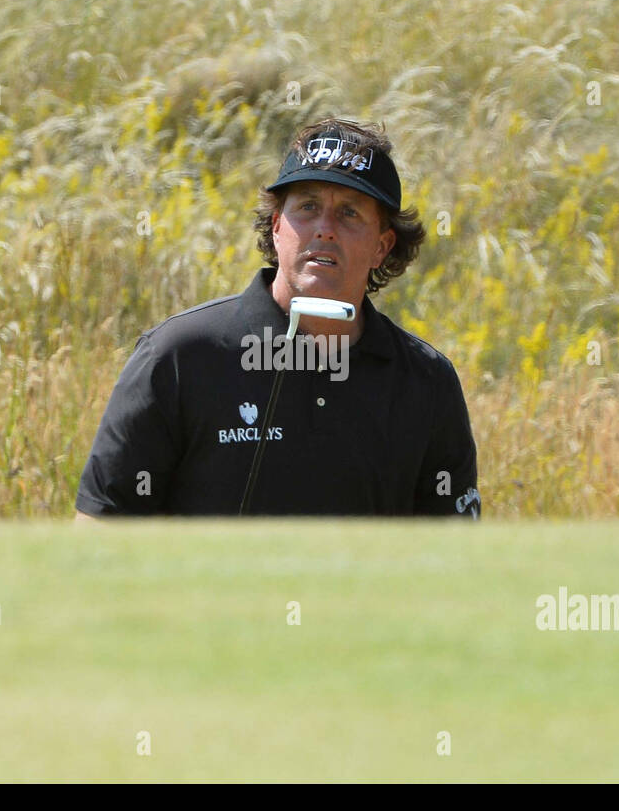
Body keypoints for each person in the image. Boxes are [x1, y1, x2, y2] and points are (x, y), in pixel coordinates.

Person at [74, 117, 480, 518]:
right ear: (276, 227)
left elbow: (456, 564)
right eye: (307, 206)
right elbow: (100, 537)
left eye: (350, 213)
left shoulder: (426, 383)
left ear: (382, 245)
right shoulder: (179, 356)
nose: (325, 229)